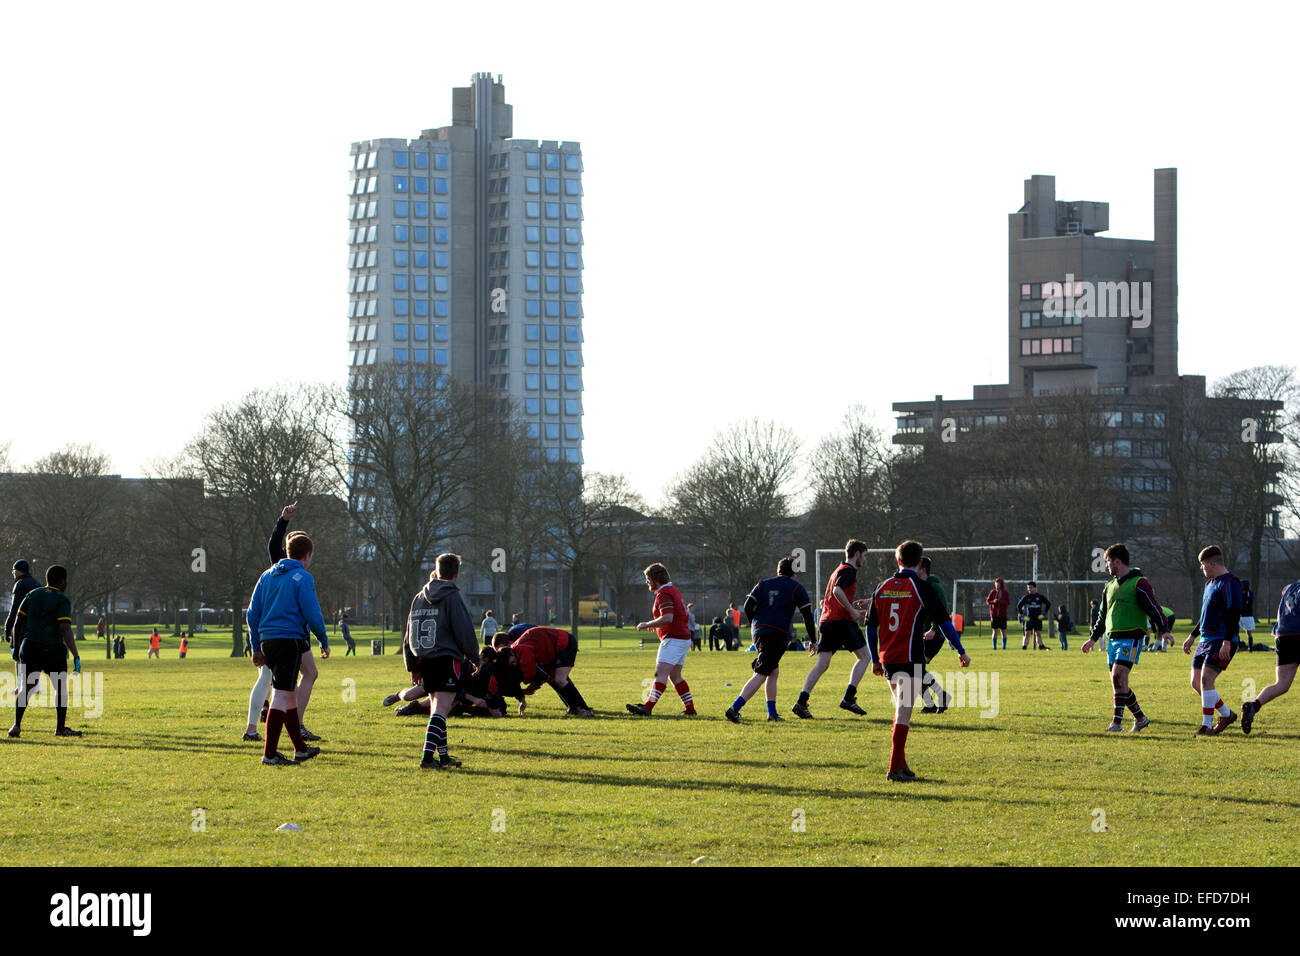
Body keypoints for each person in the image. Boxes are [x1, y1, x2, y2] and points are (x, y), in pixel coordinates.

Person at [864, 541, 970, 782]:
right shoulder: (922, 588)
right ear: (920, 561)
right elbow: (945, 623)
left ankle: (901, 763)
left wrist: (874, 659)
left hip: (888, 659)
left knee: (901, 710)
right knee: (903, 713)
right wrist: (960, 650)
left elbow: (870, 627)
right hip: (910, 658)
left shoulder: (882, 587)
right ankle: (894, 769)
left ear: (897, 560)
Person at [247, 531, 327, 765]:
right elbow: (313, 613)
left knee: (289, 694)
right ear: (307, 555)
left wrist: (255, 645)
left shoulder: (267, 575)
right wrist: (323, 638)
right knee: (281, 696)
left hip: (268, 642)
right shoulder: (302, 577)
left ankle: (300, 749)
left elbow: (252, 614)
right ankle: (269, 754)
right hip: (289, 641)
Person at [1080, 544, 1170, 733]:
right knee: (1119, 682)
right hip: (1113, 638)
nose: (1106, 566)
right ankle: (1140, 718)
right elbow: (1102, 616)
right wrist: (1093, 639)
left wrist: (1164, 629)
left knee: (1118, 675)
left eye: (1107, 562)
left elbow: (1154, 607)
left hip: (1131, 637)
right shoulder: (1109, 586)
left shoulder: (1139, 582)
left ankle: (1116, 723)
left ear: (1117, 561)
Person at [406, 552, 479, 769]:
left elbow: (409, 633)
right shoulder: (452, 596)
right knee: (441, 710)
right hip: (446, 659)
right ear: (456, 573)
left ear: (436, 571)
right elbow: (463, 630)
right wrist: (475, 657)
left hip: (425, 659)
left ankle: (444, 757)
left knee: (437, 708)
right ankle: (427, 758)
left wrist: (412, 665)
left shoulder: (418, 597)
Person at [726, 556, 816, 723]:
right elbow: (807, 615)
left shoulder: (763, 583)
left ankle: (772, 714)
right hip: (777, 633)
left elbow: (747, 606)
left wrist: (756, 623)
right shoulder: (796, 587)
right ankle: (734, 708)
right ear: (794, 573)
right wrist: (813, 639)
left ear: (778, 571)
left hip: (758, 631)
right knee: (761, 673)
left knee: (773, 671)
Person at [792, 539, 871, 720]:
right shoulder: (849, 571)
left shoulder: (838, 569)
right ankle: (849, 698)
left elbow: (835, 596)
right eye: (864, 555)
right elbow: (837, 591)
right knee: (865, 657)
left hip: (827, 621)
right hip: (840, 622)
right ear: (857, 554)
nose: (864, 560)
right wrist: (852, 611)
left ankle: (801, 702)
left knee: (822, 664)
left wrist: (853, 610)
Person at [268, 501, 323, 742]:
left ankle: (291, 723)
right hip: (289, 633)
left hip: (283, 632)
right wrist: (283, 520)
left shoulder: (290, 572)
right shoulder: (287, 569)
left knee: (304, 675)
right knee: (291, 682)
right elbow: (272, 545)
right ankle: (293, 725)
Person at [8, 564, 82, 738]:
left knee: (27, 687)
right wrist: (75, 654)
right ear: (62, 581)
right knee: (60, 687)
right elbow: (64, 628)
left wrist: (16, 645)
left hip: (30, 646)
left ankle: (16, 725)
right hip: (52, 648)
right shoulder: (61, 599)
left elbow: (18, 621)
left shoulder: (32, 595)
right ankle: (60, 728)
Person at [1181, 546, 1242, 736]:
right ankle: (1226, 715)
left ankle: (1206, 725)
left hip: (1221, 639)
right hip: (1204, 640)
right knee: (1196, 682)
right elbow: (1205, 614)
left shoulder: (1231, 582)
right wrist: (1192, 635)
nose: (1202, 568)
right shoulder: (1209, 584)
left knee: (1207, 679)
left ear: (1212, 563)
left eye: (1203, 565)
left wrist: (1227, 641)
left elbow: (1234, 614)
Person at [627, 563, 696, 716]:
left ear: (655, 579)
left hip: (674, 639)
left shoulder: (663, 593)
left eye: (647, 579)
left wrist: (647, 624)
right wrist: (657, 624)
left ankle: (647, 707)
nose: (646, 582)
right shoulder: (673, 590)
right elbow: (674, 616)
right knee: (675, 676)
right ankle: (690, 710)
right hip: (682, 638)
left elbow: (668, 618)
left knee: (660, 674)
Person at [1242, 578, 1300, 735]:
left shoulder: (1291, 586)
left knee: (1281, 684)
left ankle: (1254, 705)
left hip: (1283, 635)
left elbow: (1284, 590)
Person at [499, 625, 593, 717]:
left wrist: (531, 686)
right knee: (552, 679)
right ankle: (573, 707)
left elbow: (530, 672)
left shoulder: (521, 648)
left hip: (564, 644)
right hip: (552, 651)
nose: (515, 664)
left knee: (560, 679)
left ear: (511, 653)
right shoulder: (518, 648)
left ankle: (584, 709)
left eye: (513, 662)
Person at [916, 556, 955, 713]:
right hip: (921, 634)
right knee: (915, 671)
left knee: (915, 669)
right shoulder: (919, 585)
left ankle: (938, 698)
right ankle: (932, 703)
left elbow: (942, 612)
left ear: (923, 569)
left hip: (934, 635)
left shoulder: (934, 587)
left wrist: (933, 628)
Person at [1016, 582, 1051, 650]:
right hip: (1029, 619)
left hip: (1038, 618)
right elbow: (1019, 606)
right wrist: (1022, 615)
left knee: (1038, 633)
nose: (1029, 589)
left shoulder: (1040, 597)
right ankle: (1024, 647)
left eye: (1031, 587)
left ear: (1035, 588)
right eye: (1028, 588)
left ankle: (1041, 646)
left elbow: (1048, 604)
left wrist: (1044, 613)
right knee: (1027, 634)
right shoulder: (1026, 597)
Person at [986, 577, 1011, 650]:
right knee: (995, 630)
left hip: (1002, 615)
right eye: (996, 583)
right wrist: (993, 601)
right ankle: (994, 647)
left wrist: (1000, 601)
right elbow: (988, 601)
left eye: (998, 583)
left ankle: (1004, 647)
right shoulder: (992, 592)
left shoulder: (1005, 593)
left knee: (1003, 631)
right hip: (994, 615)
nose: (997, 584)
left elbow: (1008, 602)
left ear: (1001, 584)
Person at [1241, 580, 1256, 651]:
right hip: (1240, 615)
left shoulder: (1250, 594)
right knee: (1235, 631)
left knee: (1248, 632)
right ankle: (1237, 646)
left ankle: (1250, 647)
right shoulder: (1239, 593)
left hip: (1248, 615)